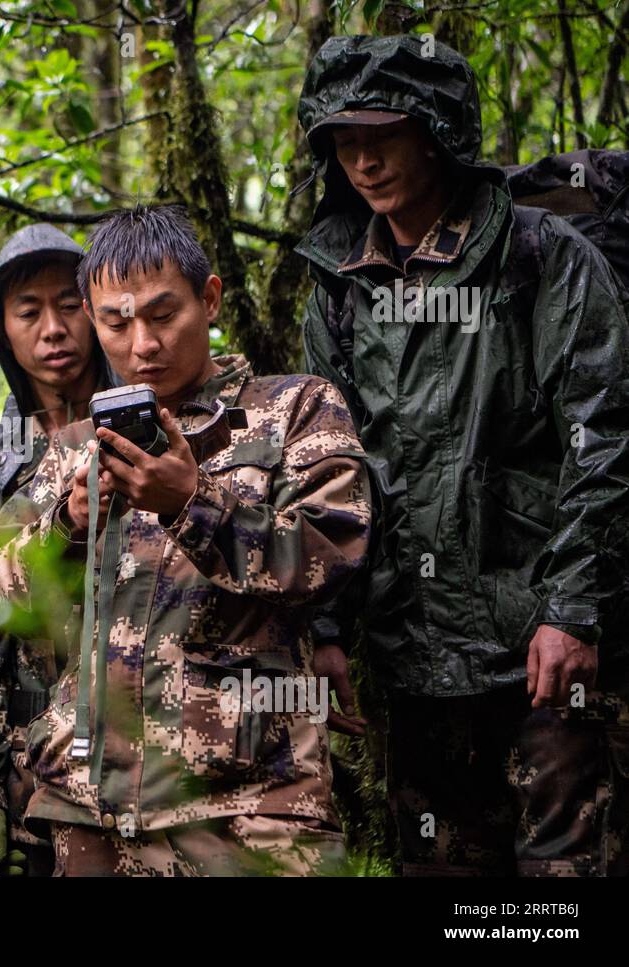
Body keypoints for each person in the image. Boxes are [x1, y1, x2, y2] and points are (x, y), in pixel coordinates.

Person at [296, 34, 629, 876]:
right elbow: (330, 470)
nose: (364, 160)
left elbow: (605, 435)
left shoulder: (541, 258)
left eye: (384, 134)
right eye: (344, 140)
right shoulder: (337, 288)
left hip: (543, 657)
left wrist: (572, 611)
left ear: (436, 130)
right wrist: (328, 624)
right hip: (415, 662)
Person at [0, 205, 371, 875]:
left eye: (163, 316)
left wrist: (193, 505)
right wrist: (69, 524)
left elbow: (332, 555)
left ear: (210, 298)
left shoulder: (295, 409)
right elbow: (1, 594)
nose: (142, 344)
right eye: (116, 322)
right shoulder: (73, 448)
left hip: (251, 806)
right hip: (90, 811)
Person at [0, 224, 113, 876]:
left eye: (69, 303)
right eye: (28, 311)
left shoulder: (148, 421)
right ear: (2, 329)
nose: (54, 328)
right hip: (34, 757)